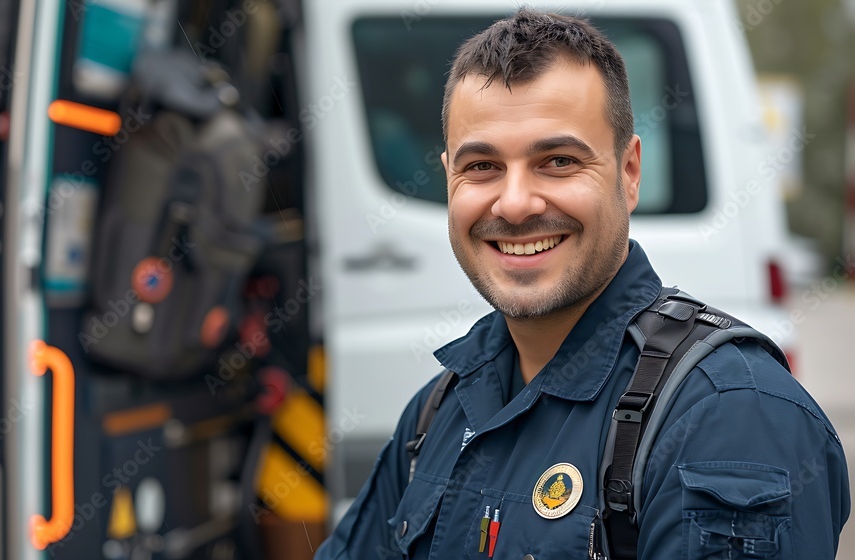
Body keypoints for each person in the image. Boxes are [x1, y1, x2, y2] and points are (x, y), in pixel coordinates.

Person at [314, 7, 850, 559]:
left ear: (629, 171)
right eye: (481, 167)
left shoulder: (731, 420)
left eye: (559, 161)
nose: (515, 203)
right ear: (449, 176)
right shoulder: (437, 413)